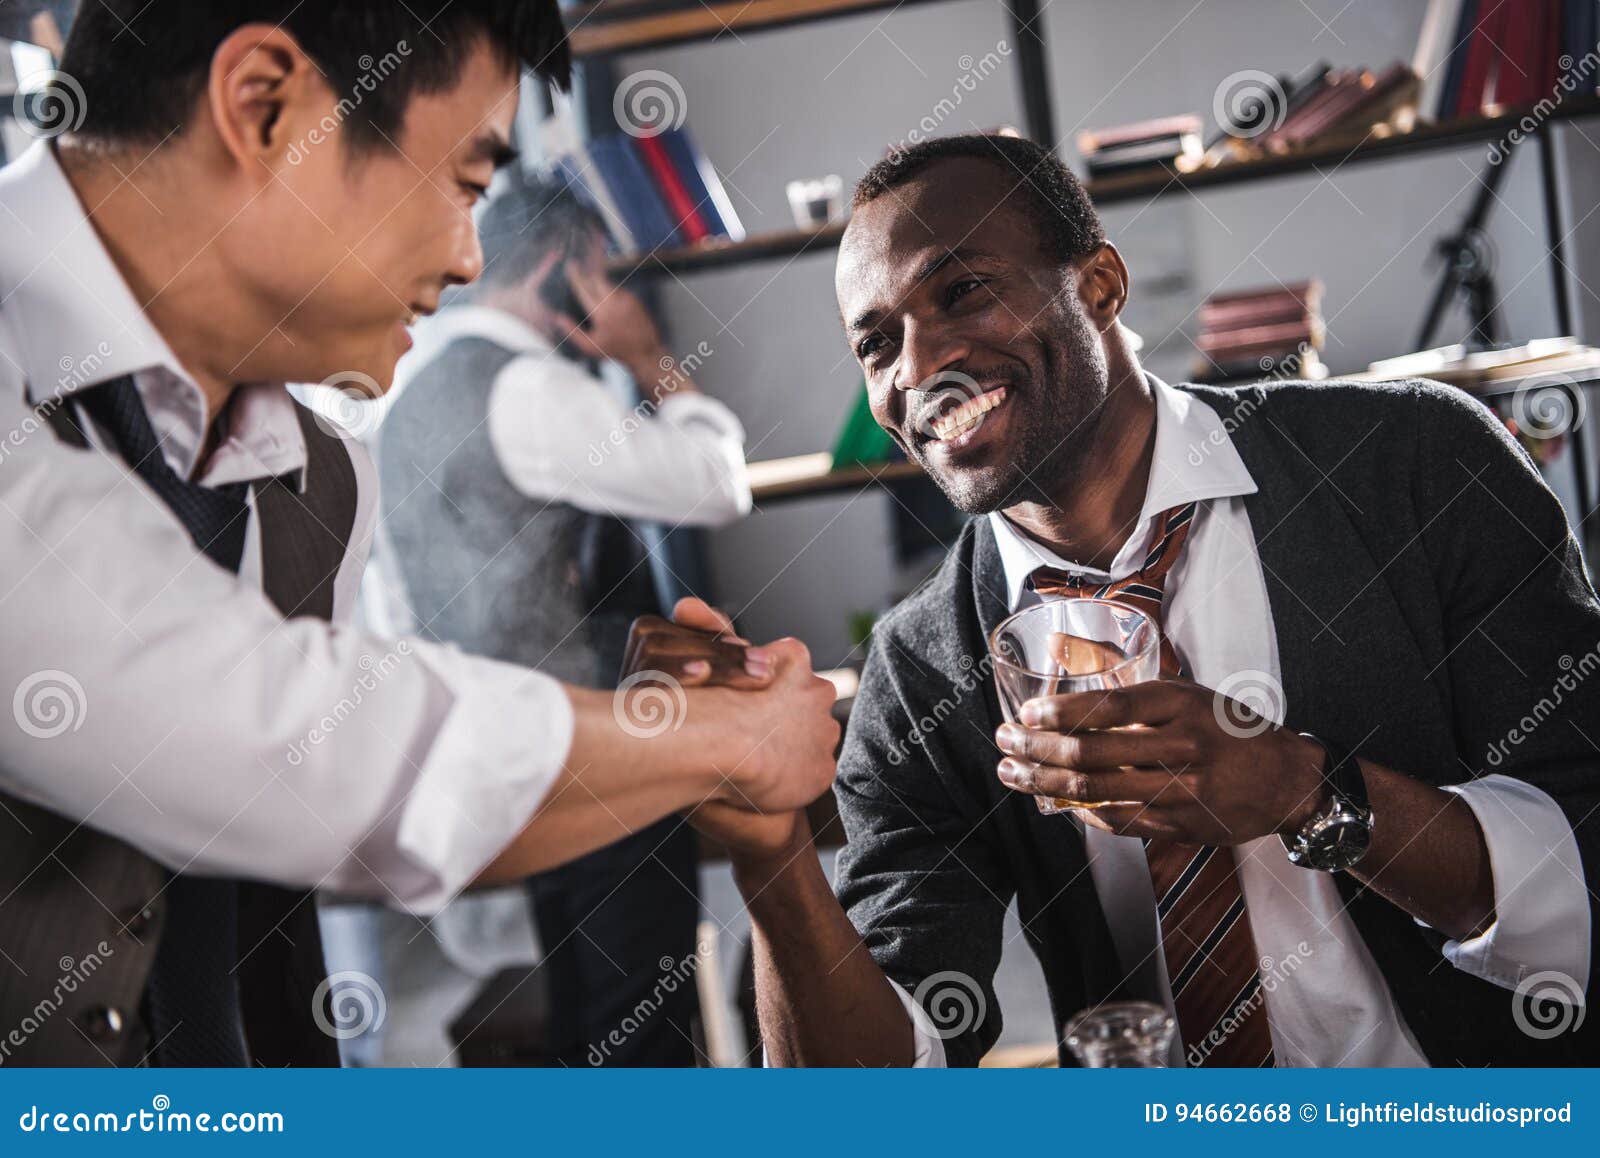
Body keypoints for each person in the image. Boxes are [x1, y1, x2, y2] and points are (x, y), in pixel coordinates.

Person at [0, 1, 837, 1068]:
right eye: (464, 185)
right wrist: (728, 738)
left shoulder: (322, 473)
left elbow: (275, 877)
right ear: (266, 109)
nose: (461, 257)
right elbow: (288, 740)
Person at [671, 133, 1600, 1066]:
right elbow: (871, 1098)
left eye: (963, 291)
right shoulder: (920, 675)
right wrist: (772, 857)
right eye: (877, 343)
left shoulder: (1418, 465)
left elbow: (1579, 866)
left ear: (1101, 286)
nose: (918, 366)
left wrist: (1299, 789)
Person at [350, 173, 752, 1066]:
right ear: (561, 269)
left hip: (506, 755)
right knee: (644, 1035)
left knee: (585, 1017)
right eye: (599, 272)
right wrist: (653, 363)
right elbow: (717, 485)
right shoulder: (529, 389)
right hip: (606, 755)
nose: (607, 294)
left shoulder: (407, 390)